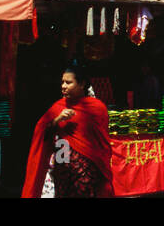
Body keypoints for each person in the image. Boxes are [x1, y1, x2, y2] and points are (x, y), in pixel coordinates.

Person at [21, 64, 114, 198]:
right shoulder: (58, 107)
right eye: (62, 82)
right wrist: (57, 120)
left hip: (87, 167)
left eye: (68, 82)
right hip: (62, 163)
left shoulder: (97, 108)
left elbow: (102, 143)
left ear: (81, 84)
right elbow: (42, 131)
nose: (63, 86)